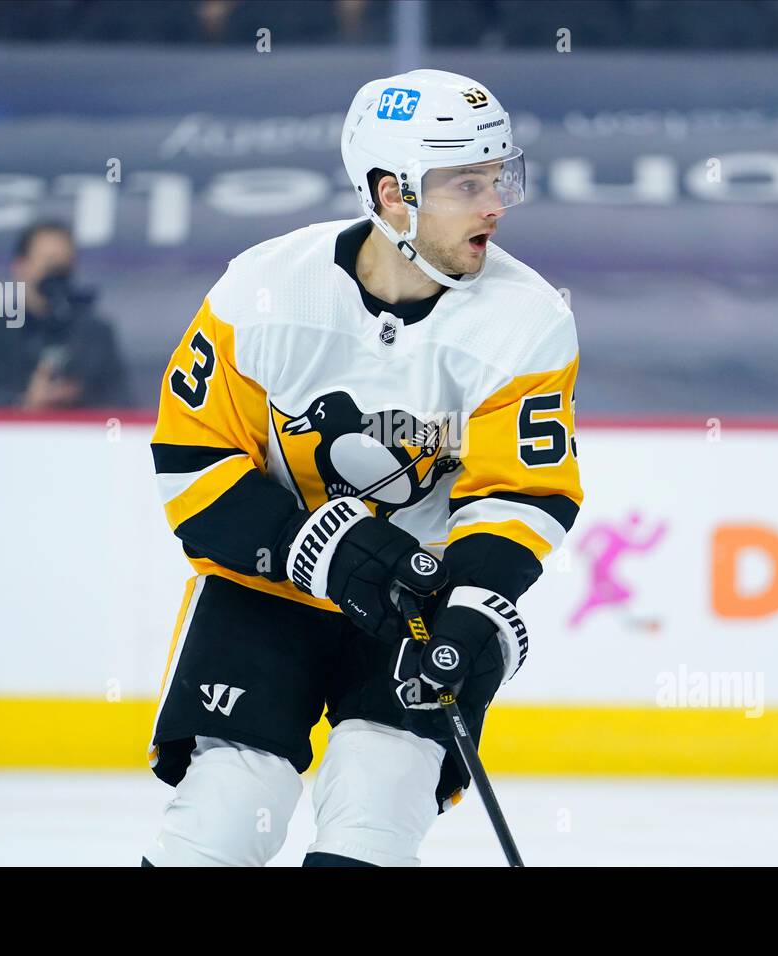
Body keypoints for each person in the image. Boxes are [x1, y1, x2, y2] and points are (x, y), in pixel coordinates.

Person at [144, 69, 582, 867]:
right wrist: (313, 546)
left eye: (499, 176)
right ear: (392, 195)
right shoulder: (265, 289)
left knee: (375, 808)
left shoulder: (528, 320)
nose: (496, 204)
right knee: (225, 816)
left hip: (413, 608)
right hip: (263, 594)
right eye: (467, 183)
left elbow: (521, 492)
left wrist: (478, 605)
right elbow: (191, 460)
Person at [0, 221, 129, 409]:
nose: (57, 273)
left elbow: (120, 405)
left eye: (65, 264)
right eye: (50, 262)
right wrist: (24, 404)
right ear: (20, 266)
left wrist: (76, 399)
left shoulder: (95, 334)